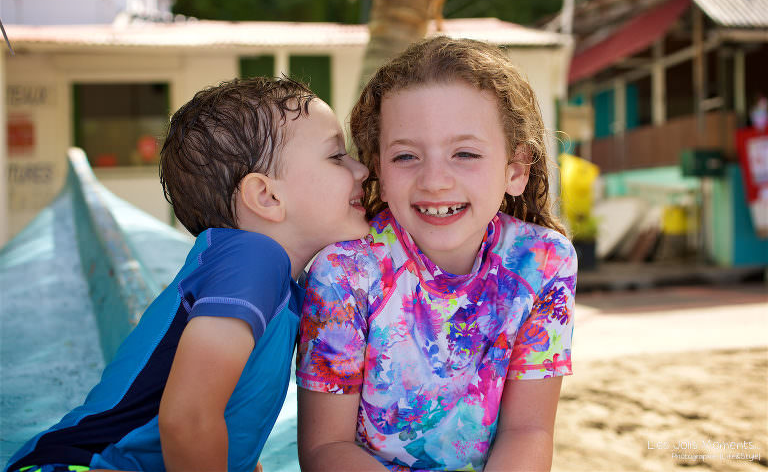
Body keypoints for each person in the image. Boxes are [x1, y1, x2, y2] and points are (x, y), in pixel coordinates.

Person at [5, 77, 370, 472]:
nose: (362, 168)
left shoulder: (275, 283)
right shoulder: (254, 258)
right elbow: (187, 418)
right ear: (267, 196)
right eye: (336, 156)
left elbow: (219, 420)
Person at [296, 37, 577, 471]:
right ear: (379, 172)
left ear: (516, 169)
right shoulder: (344, 273)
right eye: (406, 156)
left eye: (464, 153)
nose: (435, 181)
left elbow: (528, 431)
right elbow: (324, 449)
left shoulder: (542, 262)